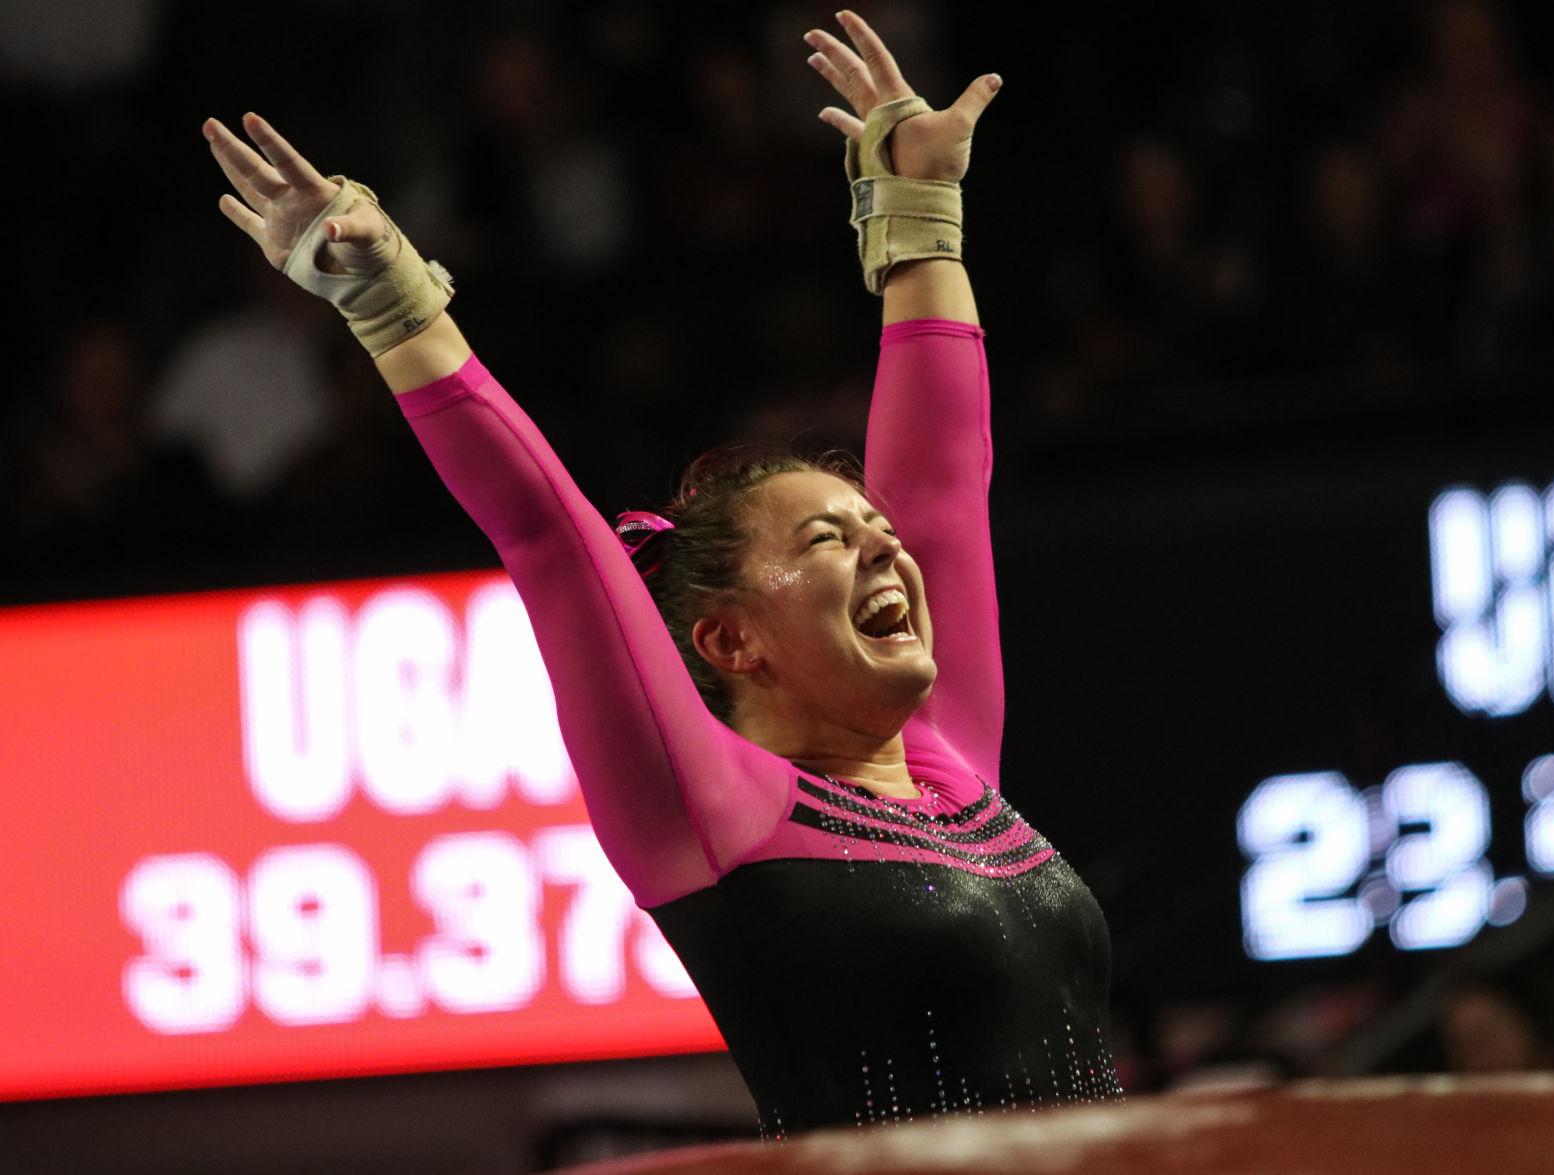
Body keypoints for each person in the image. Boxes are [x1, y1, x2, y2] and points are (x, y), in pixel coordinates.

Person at [201, 9, 1123, 1137]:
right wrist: (393, 304)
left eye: (864, 525)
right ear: (729, 639)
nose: (883, 543)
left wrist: (919, 215)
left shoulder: (945, 757)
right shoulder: (715, 817)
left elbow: (937, 486)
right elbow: (549, 537)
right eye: (824, 540)